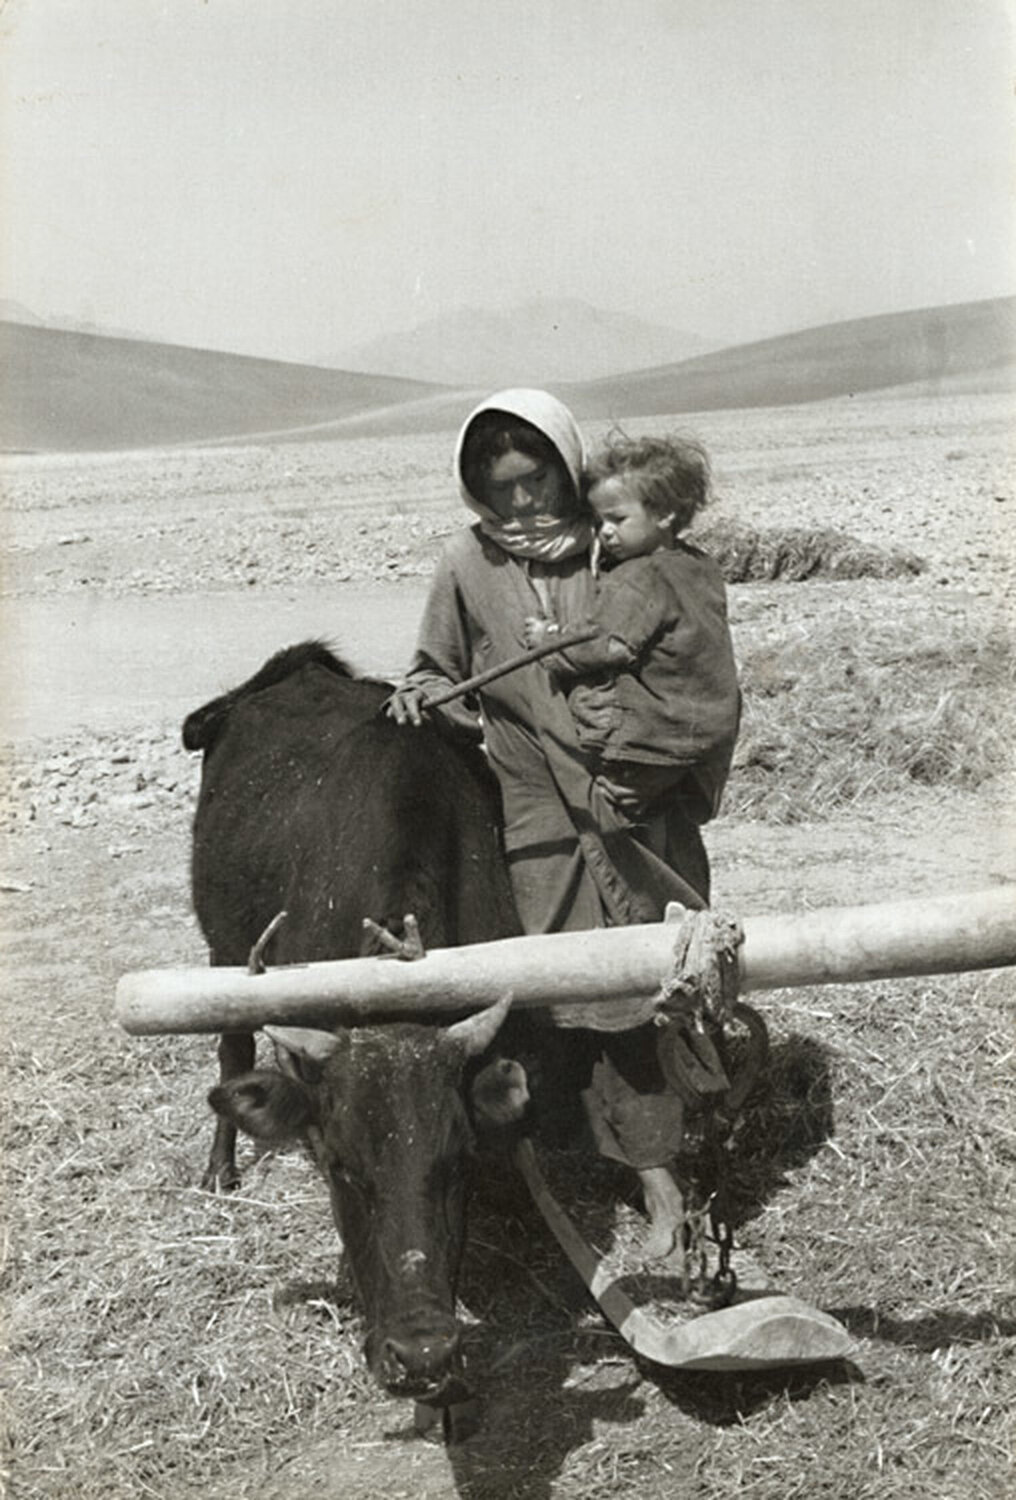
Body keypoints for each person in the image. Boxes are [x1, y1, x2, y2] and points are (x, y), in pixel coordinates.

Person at [385, 390, 730, 1259]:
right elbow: (437, 667)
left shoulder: (623, 545)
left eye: (536, 480)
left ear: (564, 469)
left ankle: (662, 1183)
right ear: (476, 489)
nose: (522, 504)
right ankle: (563, 1156)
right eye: (499, 488)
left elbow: (688, 658)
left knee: (654, 978)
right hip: (534, 798)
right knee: (564, 983)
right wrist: (424, 695)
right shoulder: (465, 563)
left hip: (629, 798)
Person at [523, 430, 740, 847]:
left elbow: (609, 644)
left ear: (664, 515)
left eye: (618, 520)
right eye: (598, 521)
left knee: (606, 810)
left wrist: (547, 638)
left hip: (653, 736)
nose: (604, 533)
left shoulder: (641, 576)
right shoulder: (700, 567)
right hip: (707, 732)